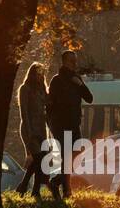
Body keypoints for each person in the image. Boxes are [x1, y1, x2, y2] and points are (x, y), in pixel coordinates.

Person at [45, 49, 93, 199]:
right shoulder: (57, 80)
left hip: (74, 123)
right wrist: (52, 123)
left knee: (77, 154)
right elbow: (50, 104)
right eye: (72, 61)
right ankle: (67, 191)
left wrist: (80, 85)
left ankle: (56, 181)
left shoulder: (76, 79)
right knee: (67, 156)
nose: (75, 63)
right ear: (65, 62)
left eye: (75, 61)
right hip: (60, 123)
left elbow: (89, 98)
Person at [14, 62, 53, 197]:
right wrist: (29, 132)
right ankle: (31, 188)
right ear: (32, 74)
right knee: (37, 158)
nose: (40, 77)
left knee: (40, 160)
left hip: (42, 129)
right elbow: (23, 112)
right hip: (29, 127)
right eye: (37, 74)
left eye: (42, 74)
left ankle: (27, 187)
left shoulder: (42, 90)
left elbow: (49, 106)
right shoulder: (25, 89)